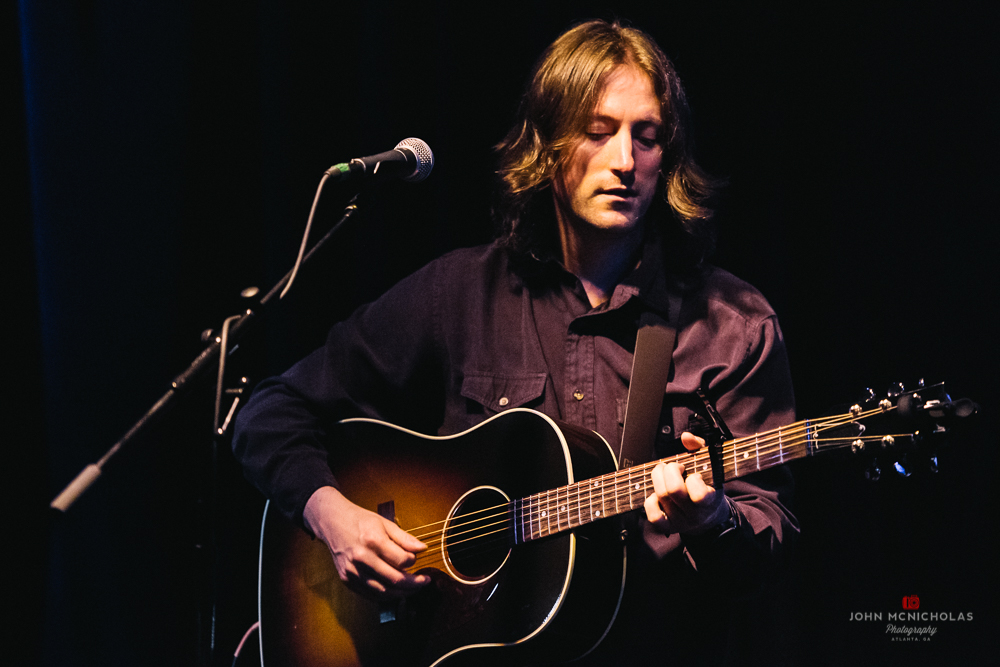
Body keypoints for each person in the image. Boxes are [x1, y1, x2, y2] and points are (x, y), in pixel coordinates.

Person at [234, 19, 798, 666]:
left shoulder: (733, 323)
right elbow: (268, 414)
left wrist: (713, 520)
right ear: (549, 143)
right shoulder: (459, 293)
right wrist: (332, 515)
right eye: (597, 131)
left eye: (646, 138)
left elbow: (769, 542)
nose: (624, 161)